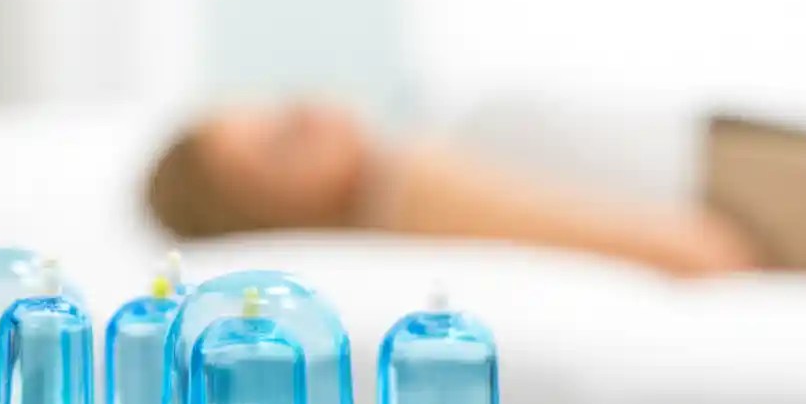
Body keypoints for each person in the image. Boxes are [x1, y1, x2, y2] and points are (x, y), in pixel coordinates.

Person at [145, 102, 756, 276]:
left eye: (276, 109)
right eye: (281, 143)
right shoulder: (412, 189)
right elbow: (701, 249)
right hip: (756, 183)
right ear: (269, 220)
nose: (306, 109)